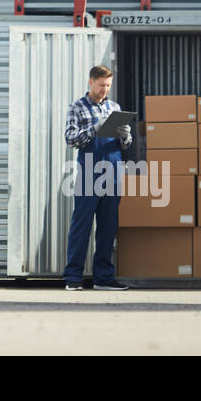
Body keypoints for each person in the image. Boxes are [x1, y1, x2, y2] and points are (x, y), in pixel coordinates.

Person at [62, 64, 132, 291]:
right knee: (81, 225)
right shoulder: (77, 107)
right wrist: (95, 128)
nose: (105, 90)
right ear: (91, 82)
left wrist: (125, 137)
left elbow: (124, 145)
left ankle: (103, 278)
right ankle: (73, 278)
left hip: (113, 168)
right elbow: (70, 139)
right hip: (89, 169)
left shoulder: (114, 107)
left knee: (108, 227)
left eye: (108, 86)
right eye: (102, 85)